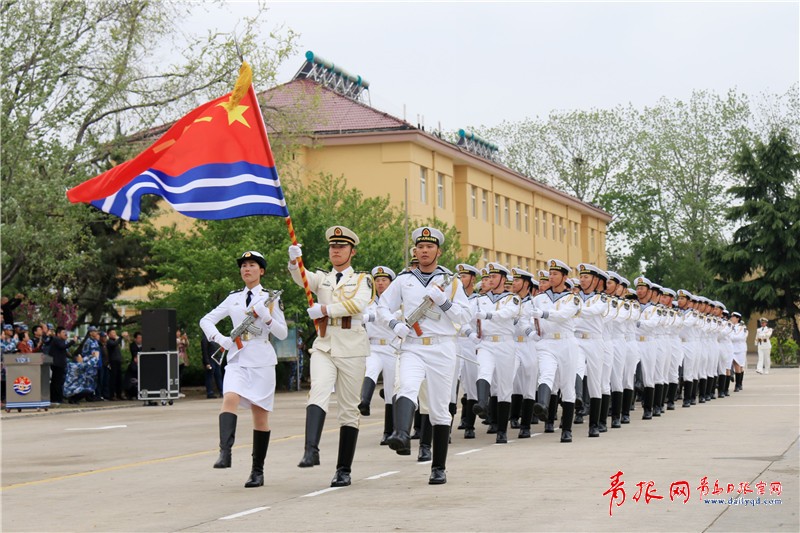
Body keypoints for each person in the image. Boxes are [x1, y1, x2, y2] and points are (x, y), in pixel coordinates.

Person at [378, 227, 471, 485]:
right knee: (406, 385)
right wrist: (394, 324)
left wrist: (444, 301)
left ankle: (438, 467)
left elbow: (464, 316)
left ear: (438, 251)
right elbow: (382, 306)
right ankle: (400, 433)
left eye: (429, 247)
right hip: (413, 346)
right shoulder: (403, 280)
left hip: (442, 348)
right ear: (415, 251)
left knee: (440, 409)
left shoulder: (451, 282)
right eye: (420, 247)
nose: (424, 251)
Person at [287, 226, 372, 488]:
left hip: (352, 347)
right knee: (318, 392)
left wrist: (325, 308)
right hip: (324, 344)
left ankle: (343, 469)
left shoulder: (362, 279)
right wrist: (293, 260)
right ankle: (311, 448)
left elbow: (358, 304)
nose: (336, 250)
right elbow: (302, 279)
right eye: (333, 247)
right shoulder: (321, 278)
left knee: (348, 410)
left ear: (352, 251)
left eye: (341, 247)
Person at [200, 250, 287, 488]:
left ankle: (257, 470)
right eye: (243, 265)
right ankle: (225, 452)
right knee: (229, 398)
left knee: (260, 416)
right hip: (237, 356)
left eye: (251, 265)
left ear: (262, 271)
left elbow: (282, 333)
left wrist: (267, 318)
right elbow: (205, 320)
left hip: (261, 358)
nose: (246, 269)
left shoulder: (270, 297)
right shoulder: (234, 298)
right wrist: (220, 339)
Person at [360, 265, 399, 445]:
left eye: (384, 280)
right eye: (377, 280)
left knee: (391, 391)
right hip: (374, 346)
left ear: (391, 283)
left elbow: (389, 317)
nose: (380, 283)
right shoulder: (368, 302)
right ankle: (364, 402)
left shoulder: (398, 303)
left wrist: (371, 317)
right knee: (371, 370)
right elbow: (363, 316)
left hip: (392, 348)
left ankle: (388, 431)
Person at [49, 327, 77, 405]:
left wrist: (73, 357)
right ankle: (56, 399)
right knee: (56, 382)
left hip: (60, 364)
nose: (65, 334)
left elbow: (65, 351)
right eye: (63, 332)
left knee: (59, 382)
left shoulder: (61, 341)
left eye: (66, 332)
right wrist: (73, 341)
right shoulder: (56, 339)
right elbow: (63, 347)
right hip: (56, 364)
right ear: (58, 334)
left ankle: (57, 398)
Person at [201, 331, 223, 399]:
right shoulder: (205, 339)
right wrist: (207, 362)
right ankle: (210, 392)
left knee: (218, 375)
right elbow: (204, 352)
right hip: (210, 360)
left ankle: (222, 391)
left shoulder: (214, 339)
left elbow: (218, 350)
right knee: (209, 376)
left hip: (216, 360)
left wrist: (219, 359)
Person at [106, 329, 124, 400]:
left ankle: (119, 394)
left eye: (115, 332)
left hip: (118, 361)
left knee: (119, 378)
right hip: (113, 361)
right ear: (109, 334)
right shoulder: (109, 342)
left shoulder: (115, 341)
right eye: (112, 333)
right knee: (113, 378)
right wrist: (120, 337)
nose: (114, 334)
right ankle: (112, 395)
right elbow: (114, 344)